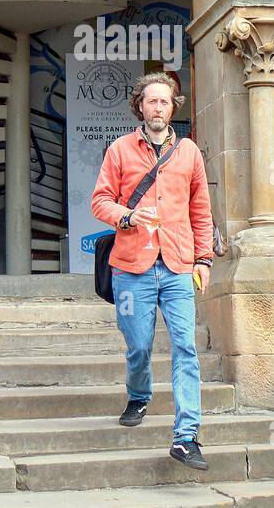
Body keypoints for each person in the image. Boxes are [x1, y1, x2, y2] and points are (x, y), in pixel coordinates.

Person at [91, 71, 214, 470]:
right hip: (132, 266)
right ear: (139, 106)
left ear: (172, 106)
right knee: (139, 345)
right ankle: (140, 394)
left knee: (185, 348)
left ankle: (186, 436)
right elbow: (100, 202)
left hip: (178, 266)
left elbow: (201, 211)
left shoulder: (190, 152)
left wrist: (204, 258)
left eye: (164, 101)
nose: (158, 107)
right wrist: (128, 216)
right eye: (151, 101)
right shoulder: (120, 150)